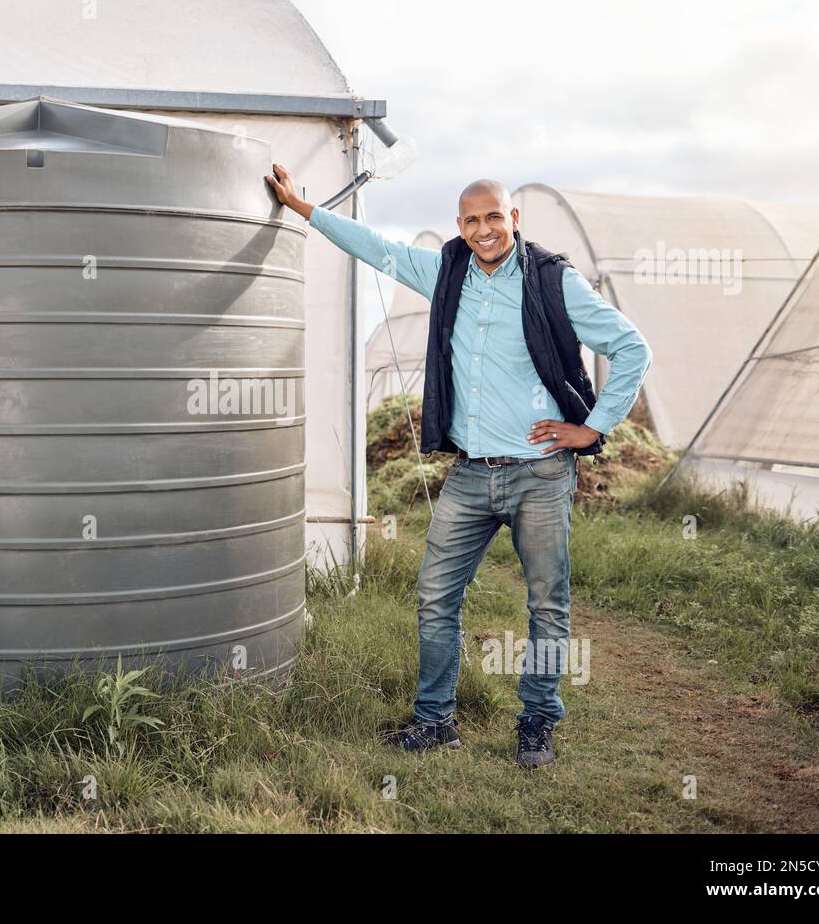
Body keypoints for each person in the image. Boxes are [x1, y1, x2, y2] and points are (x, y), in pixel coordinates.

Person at [266, 165, 652, 767]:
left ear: (514, 219)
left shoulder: (553, 282)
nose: (484, 229)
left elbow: (632, 348)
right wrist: (302, 207)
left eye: (494, 216)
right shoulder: (445, 272)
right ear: (460, 227)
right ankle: (435, 721)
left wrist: (591, 428)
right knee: (434, 595)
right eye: (471, 220)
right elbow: (377, 248)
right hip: (471, 475)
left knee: (547, 603)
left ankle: (537, 722)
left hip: (541, 473)